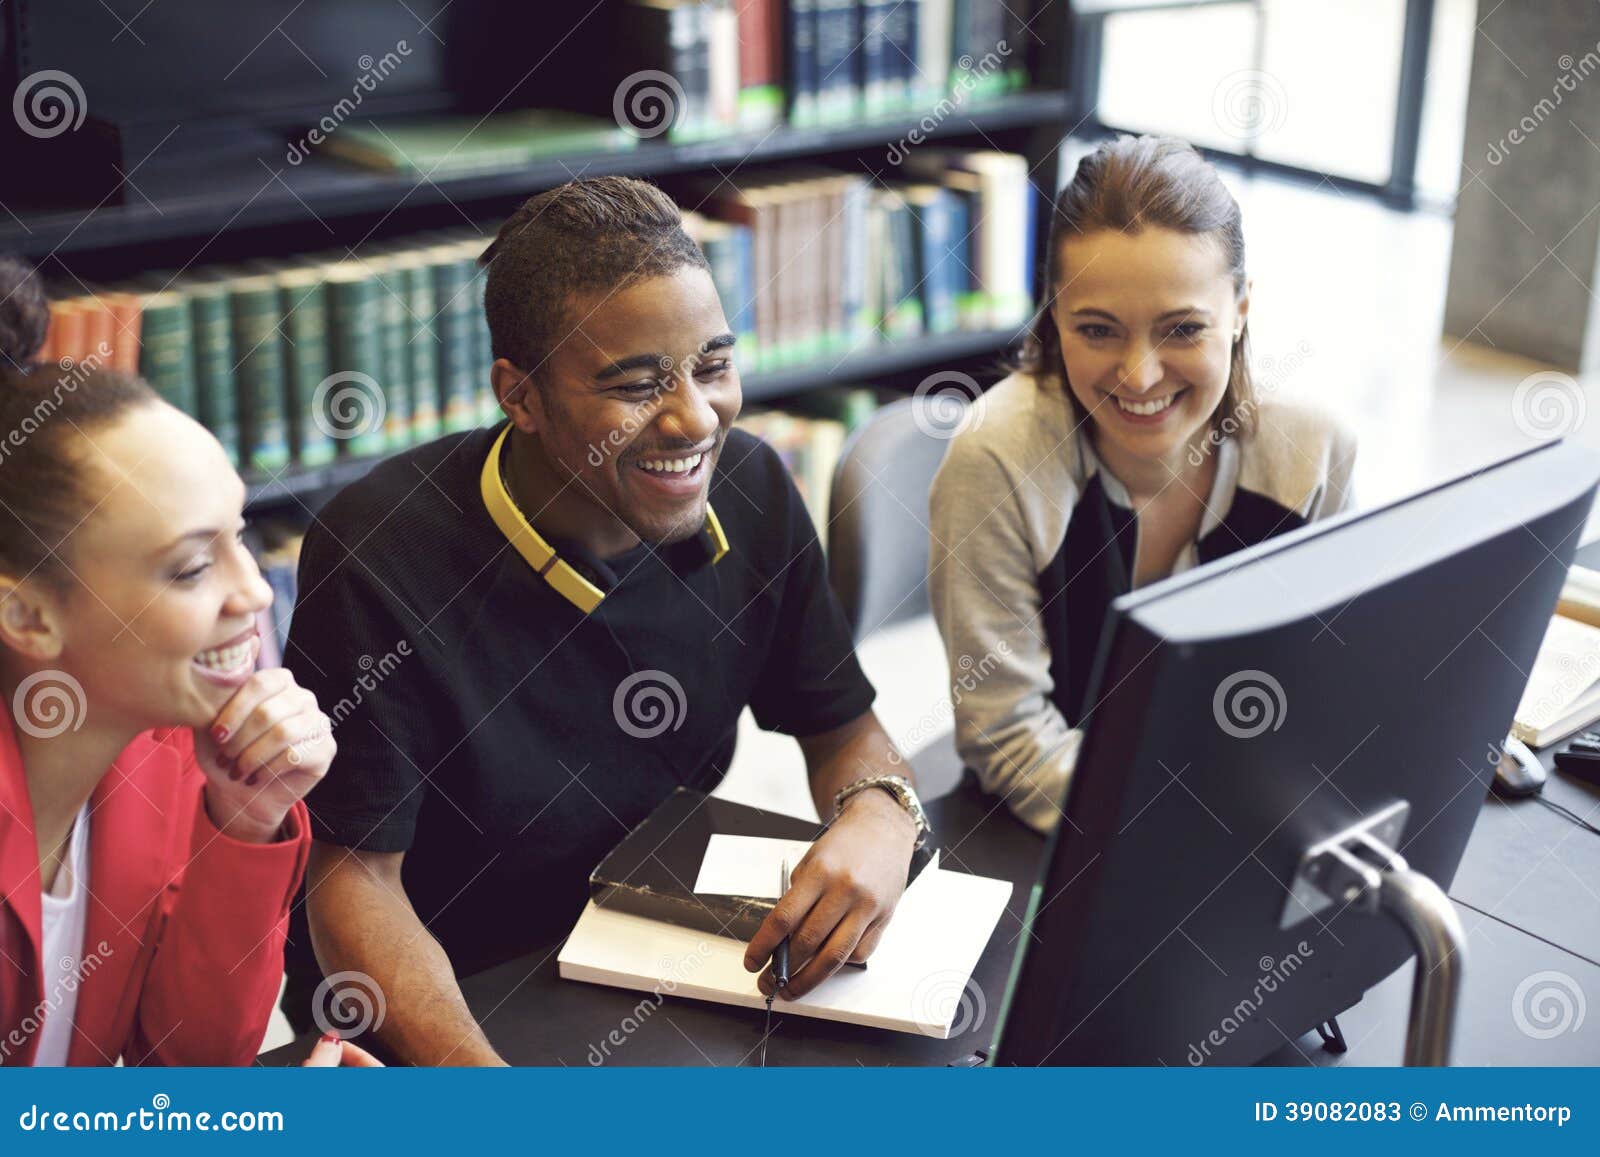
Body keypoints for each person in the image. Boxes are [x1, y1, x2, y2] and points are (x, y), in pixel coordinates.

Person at [283, 176, 928, 1065]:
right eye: (636, 385)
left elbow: (843, 727)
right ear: (522, 397)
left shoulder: (752, 486)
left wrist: (882, 817)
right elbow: (354, 884)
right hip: (451, 998)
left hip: (656, 956)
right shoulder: (379, 551)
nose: (696, 419)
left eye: (713, 365)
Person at [929, 136, 1357, 834]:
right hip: (1054, 831)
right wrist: (1191, 828)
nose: (1139, 376)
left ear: (1242, 308)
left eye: (1182, 328)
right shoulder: (996, 459)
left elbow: (1334, 672)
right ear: (1056, 315)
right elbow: (1008, 736)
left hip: (1254, 813)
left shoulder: (1310, 450)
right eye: (1097, 330)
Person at [0, 258, 334, 1065]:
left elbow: (186, 1067)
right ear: (26, 615)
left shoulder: (159, 749)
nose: (255, 592)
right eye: (190, 567)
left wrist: (243, 818)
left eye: (242, 534)